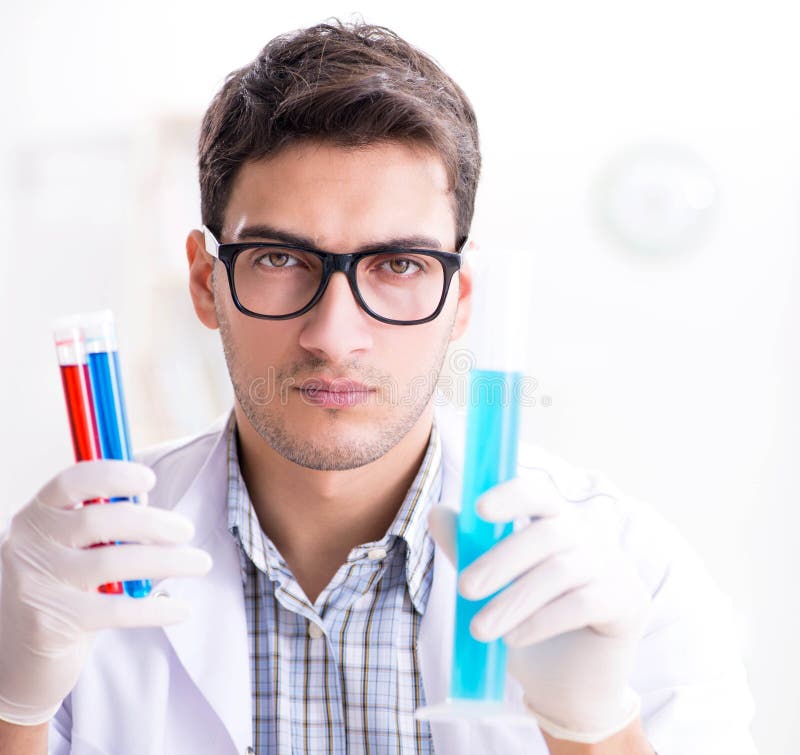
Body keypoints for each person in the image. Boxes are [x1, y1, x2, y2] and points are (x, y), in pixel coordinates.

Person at [0, 18, 757, 755]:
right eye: (278, 259)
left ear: (462, 302)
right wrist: (13, 706)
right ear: (206, 280)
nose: (333, 334)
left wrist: (593, 732)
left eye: (397, 266)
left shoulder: (627, 576)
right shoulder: (63, 576)